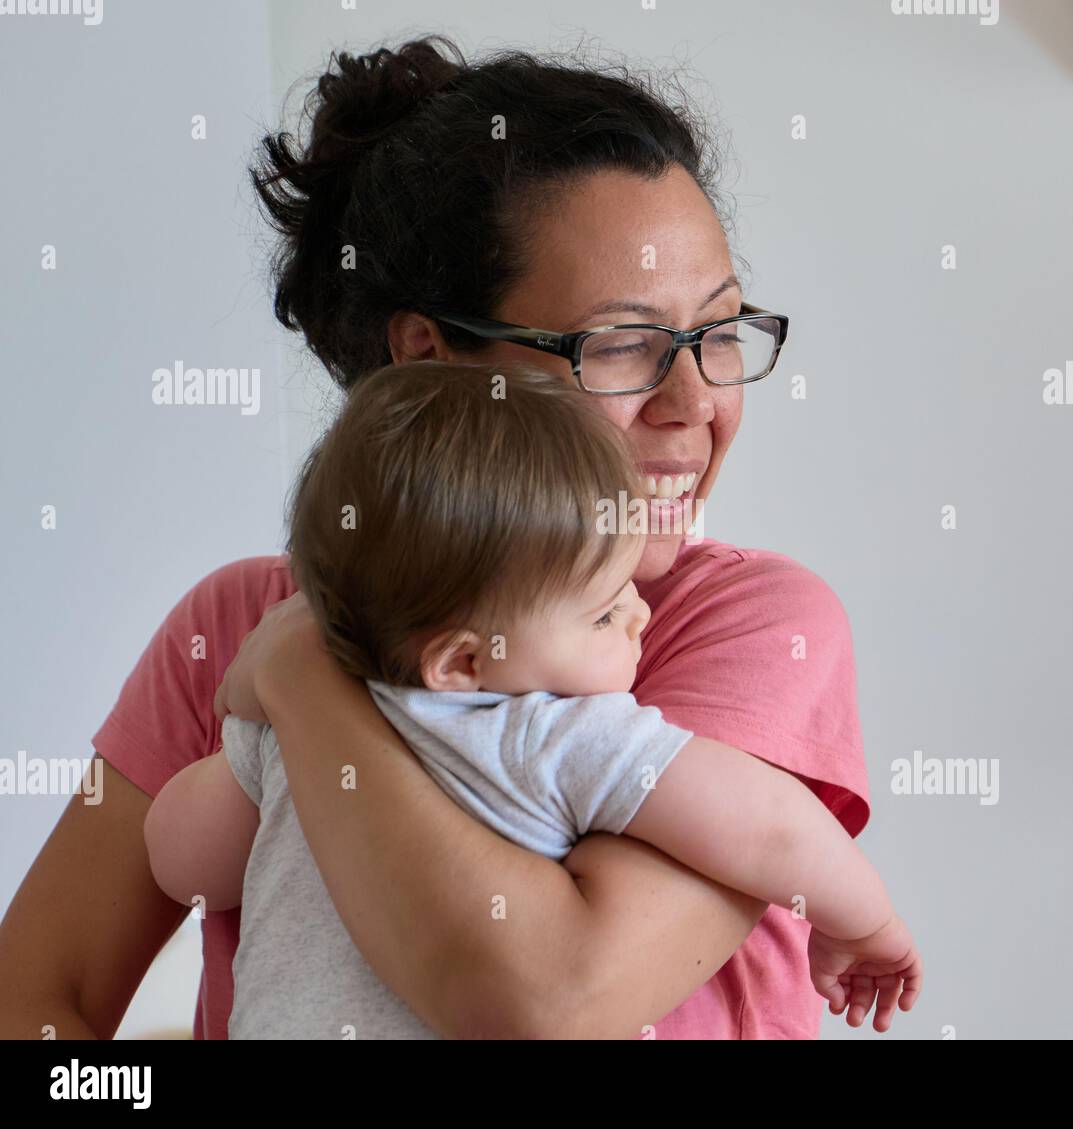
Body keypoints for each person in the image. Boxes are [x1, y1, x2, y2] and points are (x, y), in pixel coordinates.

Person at [0, 34, 900, 1039]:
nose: (693, 401)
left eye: (718, 332)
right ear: (429, 361)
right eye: (620, 345)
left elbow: (552, 997)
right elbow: (38, 1002)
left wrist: (305, 675)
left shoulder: (749, 626)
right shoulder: (229, 621)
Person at [141, 361, 922, 1039]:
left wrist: (263, 721)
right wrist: (869, 923)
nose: (639, 614)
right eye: (605, 610)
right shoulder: (554, 733)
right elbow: (771, 831)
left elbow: (177, 858)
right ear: (464, 662)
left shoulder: (288, 743)